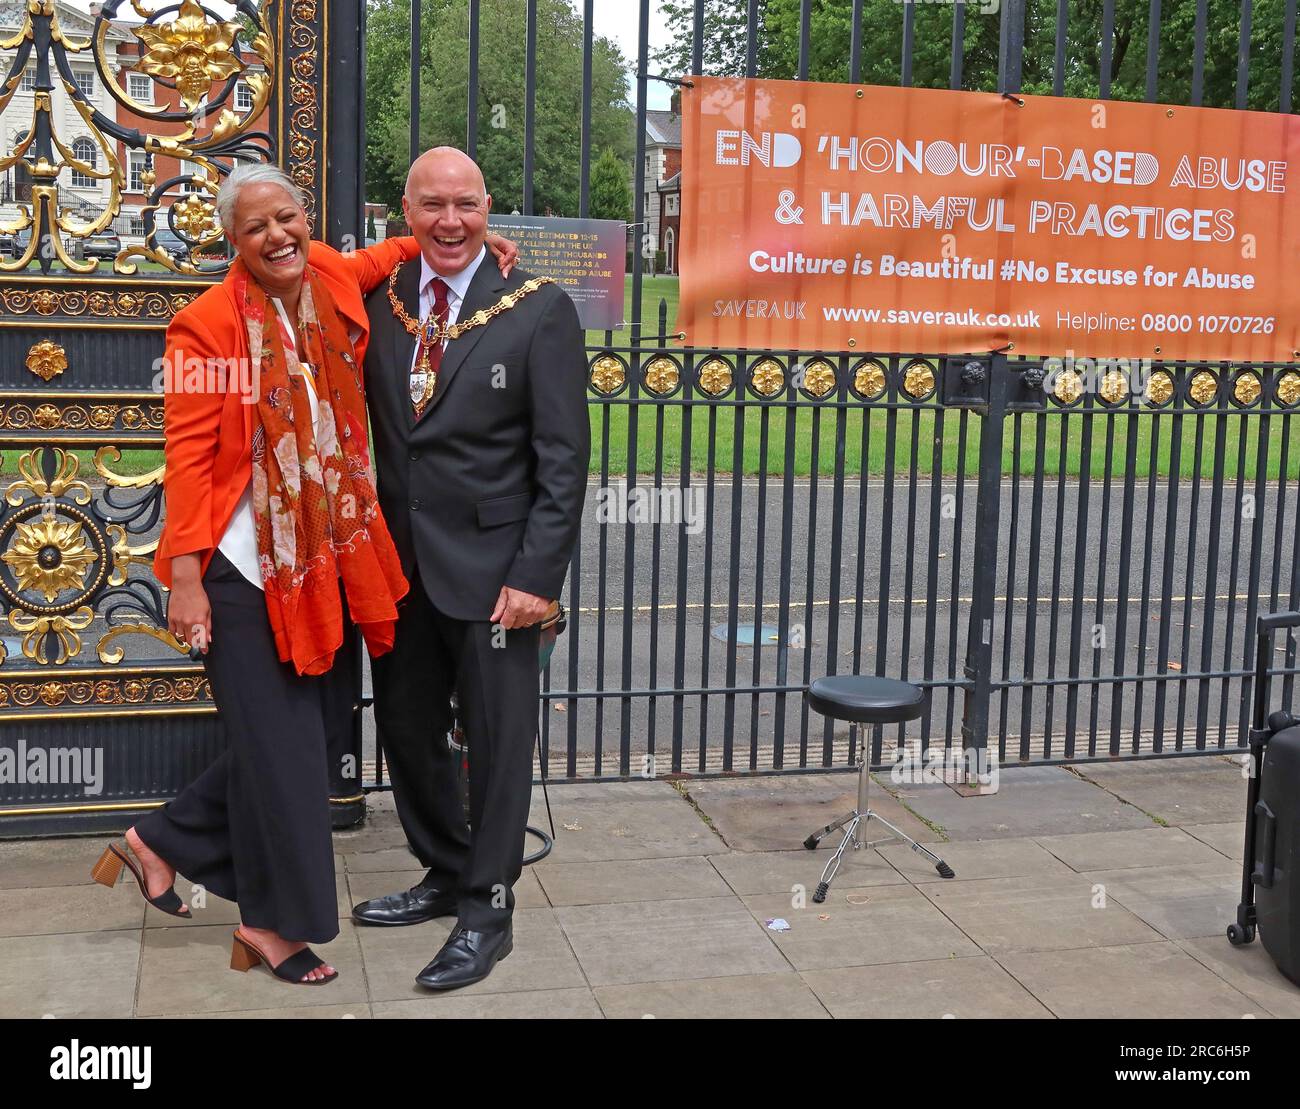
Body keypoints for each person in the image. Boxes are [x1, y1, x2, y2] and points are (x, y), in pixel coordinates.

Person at [90, 162, 517, 986]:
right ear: (233, 242)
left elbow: (395, 251)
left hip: (323, 564)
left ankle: (159, 842)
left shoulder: (326, 273)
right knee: (284, 755)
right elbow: (183, 459)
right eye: (257, 228)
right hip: (239, 569)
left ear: (304, 219)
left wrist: (469, 235)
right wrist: (182, 577)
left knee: (300, 739)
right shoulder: (203, 328)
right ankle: (270, 927)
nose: (278, 236)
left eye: (287, 218)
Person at [351, 147, 589, 990]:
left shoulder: (538, 309)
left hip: (498, 575)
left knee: (493, 745)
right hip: (397, 570)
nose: (449, 222)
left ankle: (489, 906)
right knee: (408, 731)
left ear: (490, 208)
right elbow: (292, 264)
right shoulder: (374, 302)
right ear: (403, 213)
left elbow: (562, 461)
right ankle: (446, 870)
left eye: (464, 205)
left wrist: (538, 578)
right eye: (430, 205)